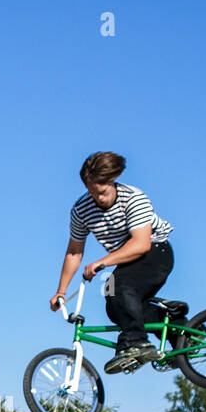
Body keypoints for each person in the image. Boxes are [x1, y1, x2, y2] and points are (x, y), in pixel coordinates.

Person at [51, 150, 175, 375]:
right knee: (115, 306)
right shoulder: (81, 210)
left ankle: (136, 343)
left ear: (112, 181)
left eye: (102, 192)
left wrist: (102, 263)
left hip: (156, 252)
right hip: (128, 261)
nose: (99, 198)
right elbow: (74, 252)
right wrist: (61, 291)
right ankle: (181, 330)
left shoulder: (134, 198)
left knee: (121, 286)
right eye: (92, 192)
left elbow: (141, 244)